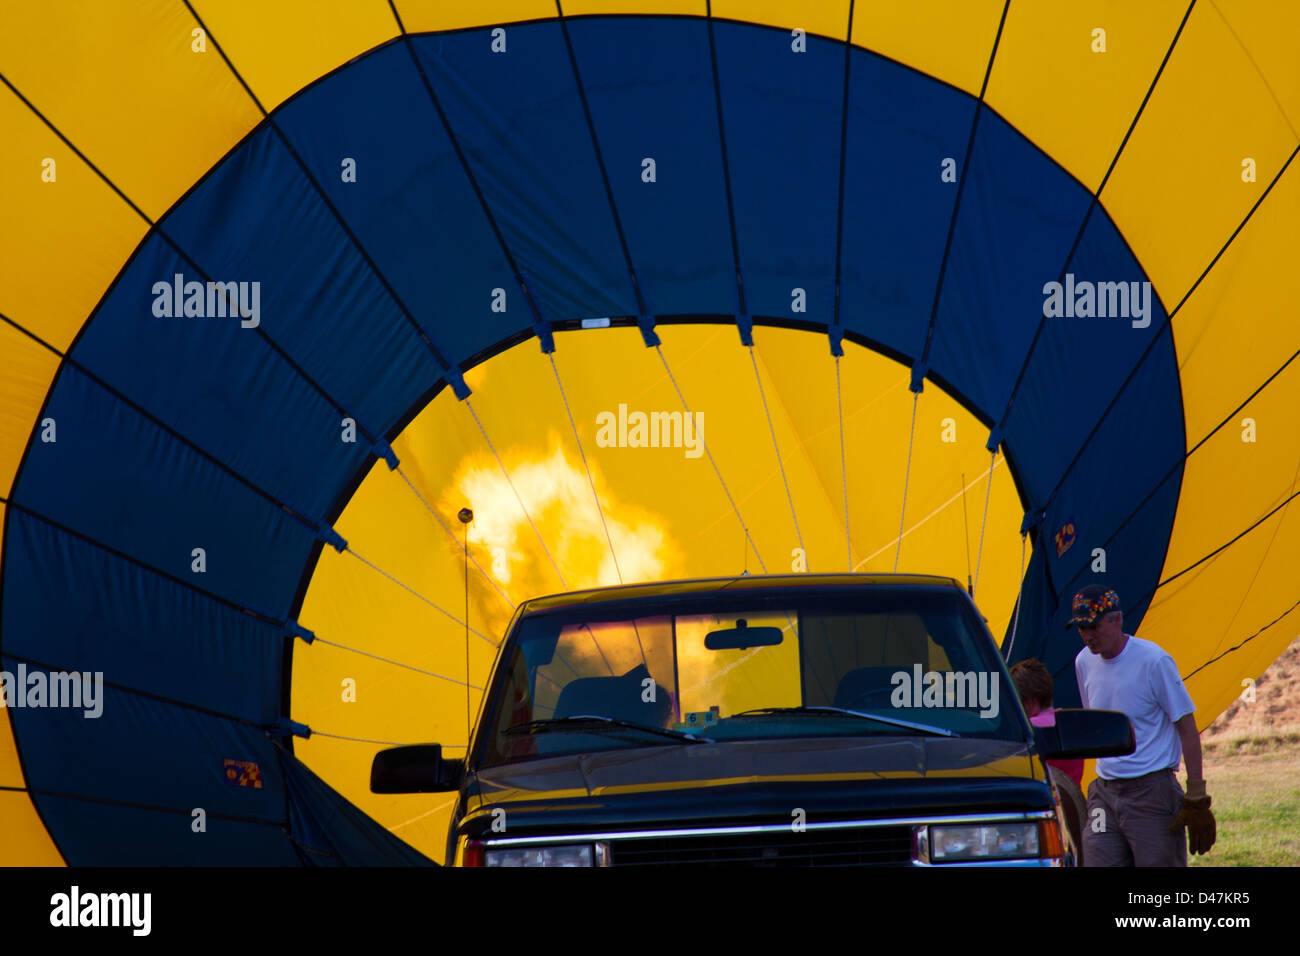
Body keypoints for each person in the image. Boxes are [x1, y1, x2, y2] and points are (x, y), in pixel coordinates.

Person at [1069, 584, 1216, 866]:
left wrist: (1196, 792)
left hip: (1152, 793)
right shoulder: (1083, 662)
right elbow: (1095, 722)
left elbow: (1187, 726)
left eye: (1094, 626)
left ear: (1117, 619)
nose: (1087, 636)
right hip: (1104, 793)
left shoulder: (1154, 660)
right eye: (1081, 628)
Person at [1010, 658, 1084, 788]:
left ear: (1030, 703)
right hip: (1072, 799)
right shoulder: (1069, 723)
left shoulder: (1030, 730)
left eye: (1016, 703)